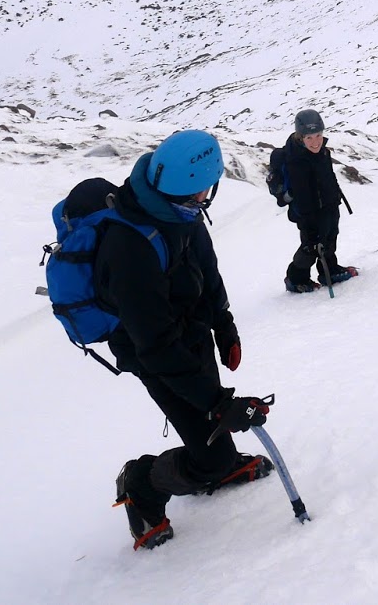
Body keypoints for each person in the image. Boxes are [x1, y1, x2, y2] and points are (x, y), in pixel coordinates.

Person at [99, 128, 275, 550]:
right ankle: (142, 484)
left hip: (189, 336)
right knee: (208, 439)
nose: (205, 199)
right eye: (201, 192)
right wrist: (217, 404)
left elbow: (207, 274)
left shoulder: (180, 212)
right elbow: (156, 347)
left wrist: (224, 326)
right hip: (153, 354)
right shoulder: (130, 248)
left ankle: (221, 460)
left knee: (211, 417)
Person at [281, 108, 360, 293]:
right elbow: (302, 194)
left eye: (318, 135)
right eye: (309, 137)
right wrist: (308, 222)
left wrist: (335, 200)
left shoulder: (323, 152)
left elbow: (328, 177)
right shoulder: (296, 161)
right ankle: (295, 278)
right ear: (301, 137)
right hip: (308, 213)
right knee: (311, 246)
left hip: (329, 205)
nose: (315, 141)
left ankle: (329, 271)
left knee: (330, 238)